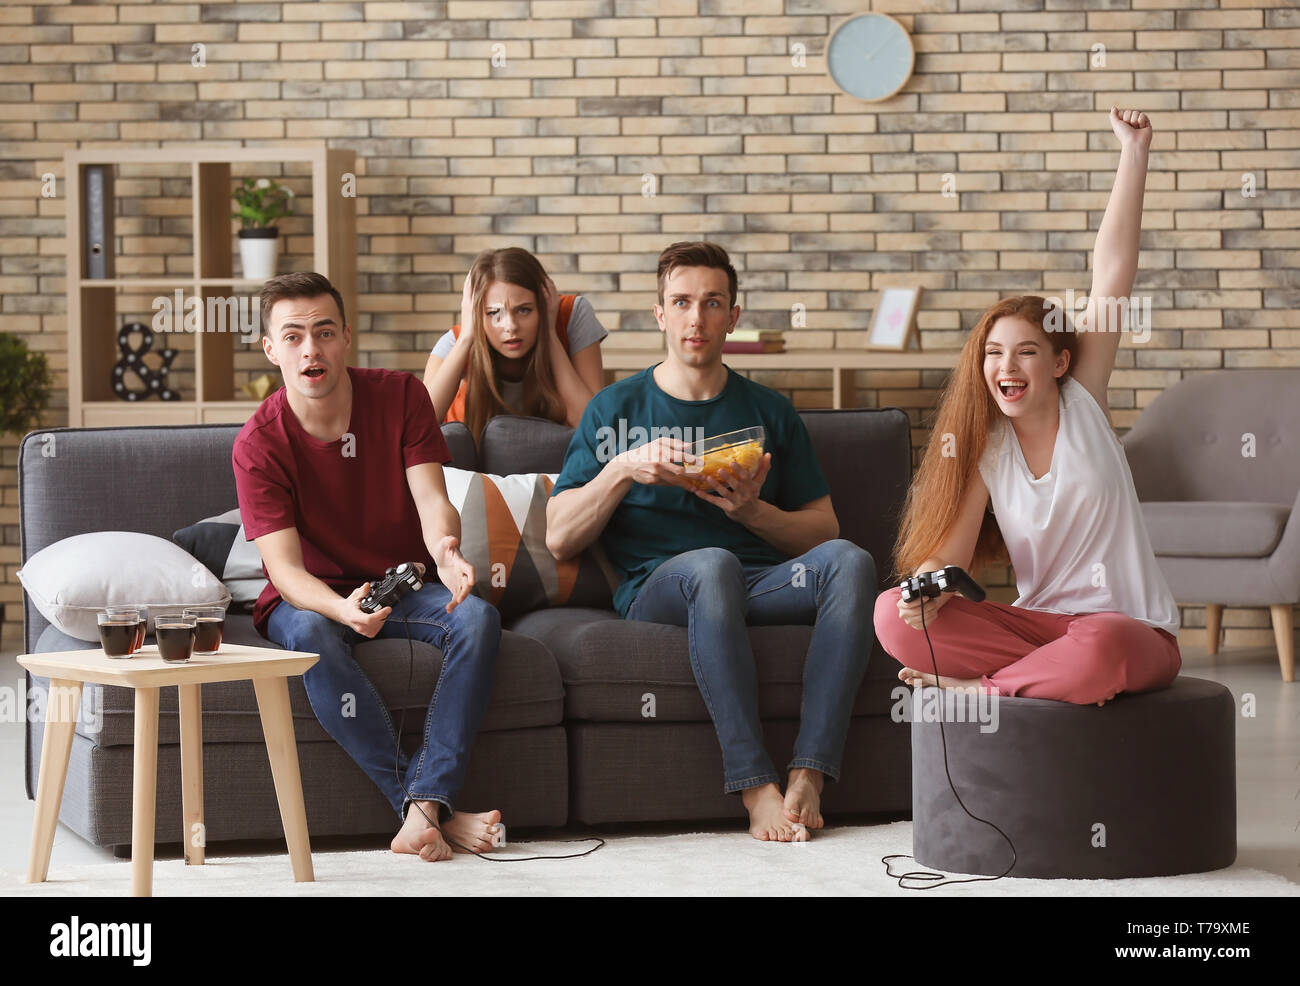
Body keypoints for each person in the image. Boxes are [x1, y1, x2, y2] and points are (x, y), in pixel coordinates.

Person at [546, 241, 877, 844]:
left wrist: (753, 512)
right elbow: (560, 535)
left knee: (852, 562)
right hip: (662, 588)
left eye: (711, 303)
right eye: (682, 302)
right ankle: (755, 785)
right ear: (659, 313)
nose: (696, 318)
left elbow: (823, 528)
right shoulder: (613, 409)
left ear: (733, 314)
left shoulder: (768, 411)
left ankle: (809, 773)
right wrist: (623, 468)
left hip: (761, 585)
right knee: (711, 565)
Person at [874, 109, 1180, 707]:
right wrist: (927, 590)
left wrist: (1134, 154)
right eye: (993, 353)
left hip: (1130, 631)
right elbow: (950, 554)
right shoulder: (987, 446)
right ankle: (1031, 681)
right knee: (890, 616)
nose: (1006, 368)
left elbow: (1112, 272)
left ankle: (979, 691)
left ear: (1061, 363)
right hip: (1037, 631)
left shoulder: (1082, 400)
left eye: (1026, 353)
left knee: (1099, 645)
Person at [233, 271, 503, 863]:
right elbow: (282, 569)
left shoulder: (400, 397)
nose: (312, 349)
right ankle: (425, 807)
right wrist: (340, 609)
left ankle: (426, 809)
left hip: (398, 582)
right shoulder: (259, 443)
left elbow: (432, 499)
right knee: (308, 635)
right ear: (271, 349)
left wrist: (447, 551)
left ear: (346, 338)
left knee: (478, 619)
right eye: (295, 335)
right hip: (310, 596)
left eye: (325, 332)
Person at [423, 247, 608, 439]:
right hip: (474, 463)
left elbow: (594, 427)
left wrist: (549, 334)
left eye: (524, 310)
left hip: (554, 458)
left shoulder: (570, 315)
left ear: (543, 306)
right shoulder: (457, 341)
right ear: (475, 313)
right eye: (494, 313)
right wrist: (467, 339)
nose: (510, 326)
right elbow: (419, 426)